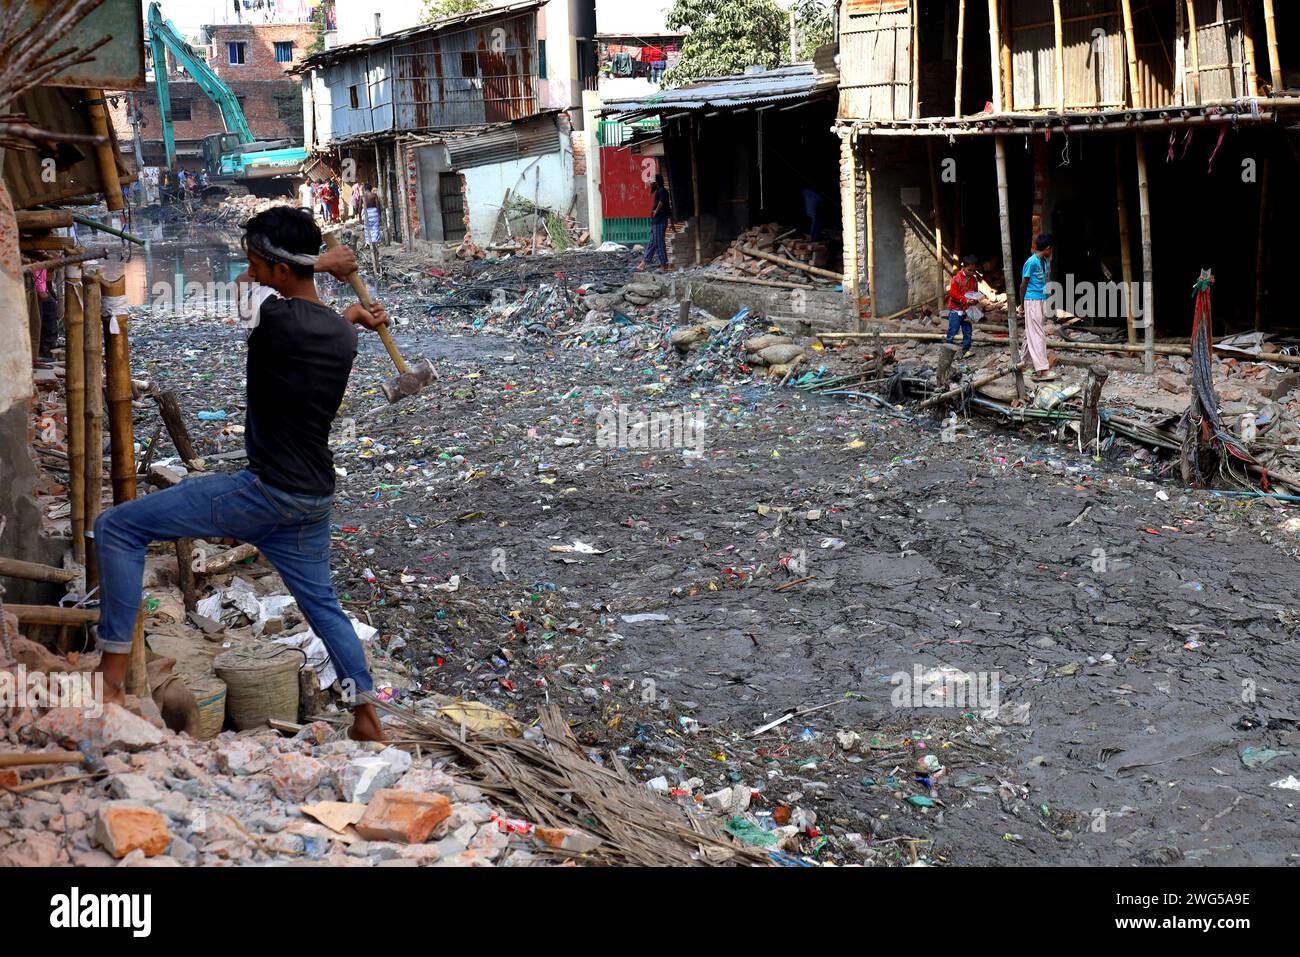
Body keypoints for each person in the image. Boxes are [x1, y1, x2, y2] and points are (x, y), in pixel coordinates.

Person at [92, 207, 392, 742]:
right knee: (322, 606)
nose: (246, 275)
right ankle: (366, 713)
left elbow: (246, 294)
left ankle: (109, 682)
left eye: (255, 265)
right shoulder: (338, 335)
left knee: (118, 527)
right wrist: (348, 311)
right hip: (312, 495)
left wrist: (319, 263)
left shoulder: (272, 318)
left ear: (280, 270)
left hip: (266, 492)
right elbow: (316, 316)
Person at [1017, 233, 1055, 381]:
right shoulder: (1031, 262)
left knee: (1030, 332)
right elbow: (1023, 285)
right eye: (1051, 249)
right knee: (1038, 334)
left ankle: (1023, 363)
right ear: (1048, 248)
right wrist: (1022, 305)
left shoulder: (1044, 261)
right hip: (1031, 300)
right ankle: (1042, 370)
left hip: (1039, 300)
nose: (1052, 252)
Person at [944, 253, 983, 358]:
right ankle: (947, 352)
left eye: (973, 271)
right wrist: (965, 300)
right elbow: (952, 293)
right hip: (956, 310)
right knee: (953, 330)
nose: (971, 272)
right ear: (963, 267)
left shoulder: (974, 280)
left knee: (968, 331)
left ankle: (966, 350)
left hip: (967, 310)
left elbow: (975, 292)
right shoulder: (957, 278)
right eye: (969, 270)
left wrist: (975, 300)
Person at [636, 174, 672, 272]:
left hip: (660, 221)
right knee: (652, 243)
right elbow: (667, 208)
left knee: (659, 243)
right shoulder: (659, 191)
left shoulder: (662, 191)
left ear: (656, 182)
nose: (650, 184)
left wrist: (656, 210)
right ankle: (643, 263)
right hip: (656, 222)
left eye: (652, 182)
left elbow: (662, 202)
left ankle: (663, 266)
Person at [32, 263, 59, 361]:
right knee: (45, 315)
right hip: (39, 287)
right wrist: (40, 289)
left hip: (43, 286)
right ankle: (45, 348)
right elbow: (35, 269)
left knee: (47, 313)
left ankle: (46, 346)